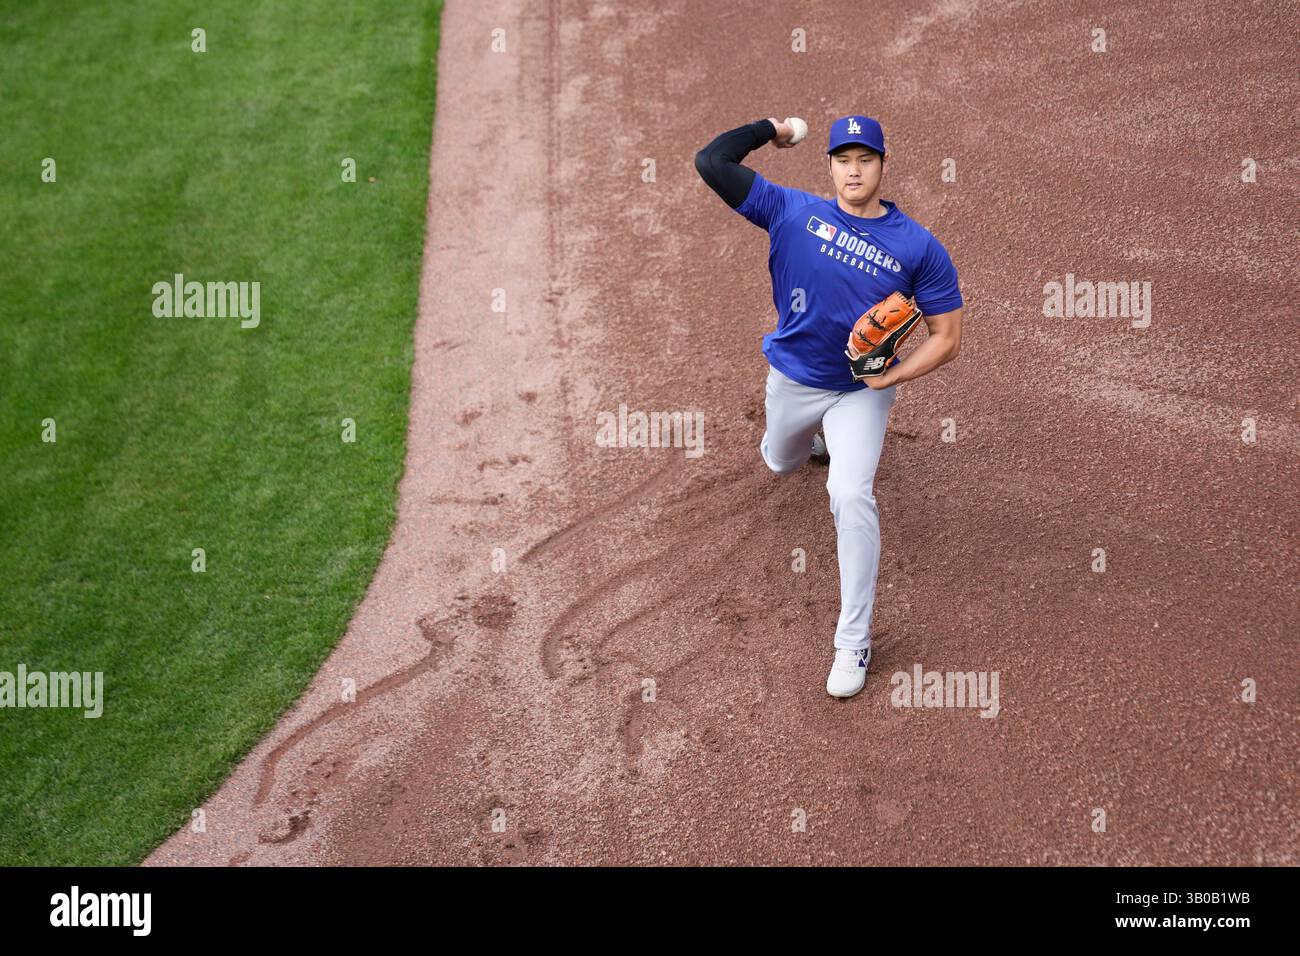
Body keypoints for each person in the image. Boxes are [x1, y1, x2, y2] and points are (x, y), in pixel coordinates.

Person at [694, 115, 964, 698]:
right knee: (780, 462)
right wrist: (773, 127)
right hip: (793, 380)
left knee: (849, 493)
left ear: (883, 165)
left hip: (858, 391)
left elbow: (947, 335)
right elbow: (712, 163)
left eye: (865, 159)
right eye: (843, 159)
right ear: (830, 166)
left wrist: (894, 374)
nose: (854, 170)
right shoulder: (792, 212)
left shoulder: (918, 246)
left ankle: (853, 641)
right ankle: (807, 443)